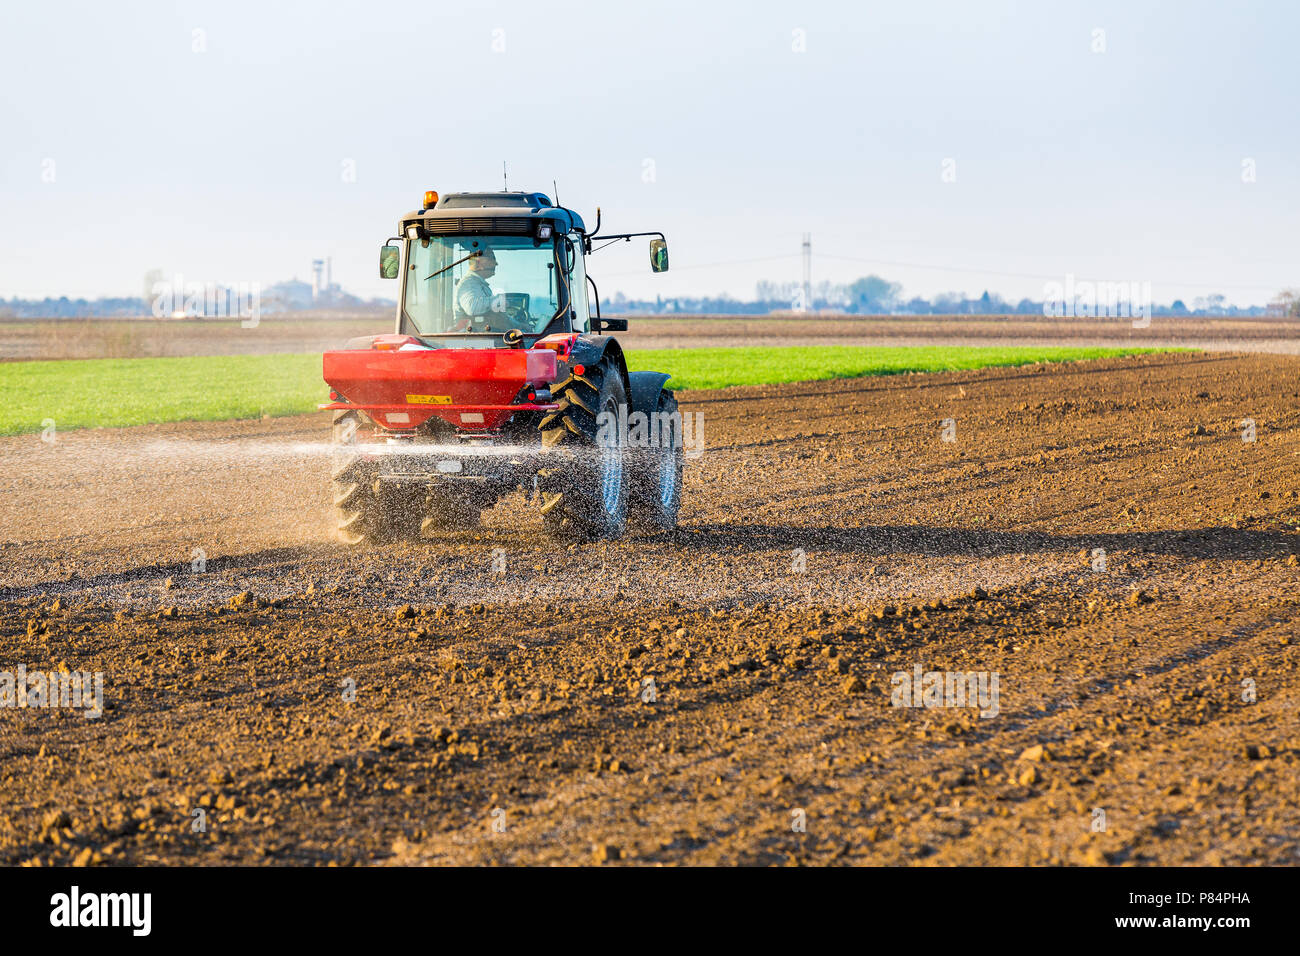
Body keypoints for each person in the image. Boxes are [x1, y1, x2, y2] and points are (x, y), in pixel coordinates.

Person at [452, 247, 497, 329]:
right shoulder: (468, 283)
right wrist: (498, 300)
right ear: (479, 263)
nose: (495, 264)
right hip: (469, 338)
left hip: (482, 335)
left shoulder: (479, 284)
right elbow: (472, 308)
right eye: (491, 260)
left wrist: (518, 325)